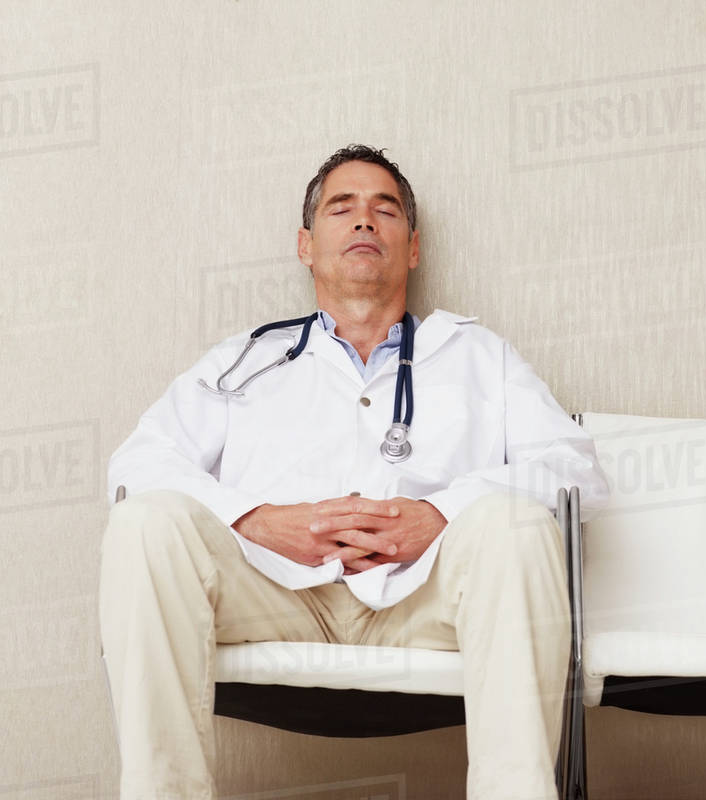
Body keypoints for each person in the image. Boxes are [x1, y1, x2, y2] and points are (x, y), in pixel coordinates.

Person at [99, 144, 609, 800]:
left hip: (423, 594)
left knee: (517, 526)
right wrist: (256, 521)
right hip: (276, 591)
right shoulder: (246, 359)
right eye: (342, 208)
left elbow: (575, 472)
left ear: (413, 248)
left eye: (385, 209)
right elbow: (138, 463)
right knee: (145, 522)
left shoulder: (481, 357)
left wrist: (442, 515)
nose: (365, 220)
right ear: (306, 245)